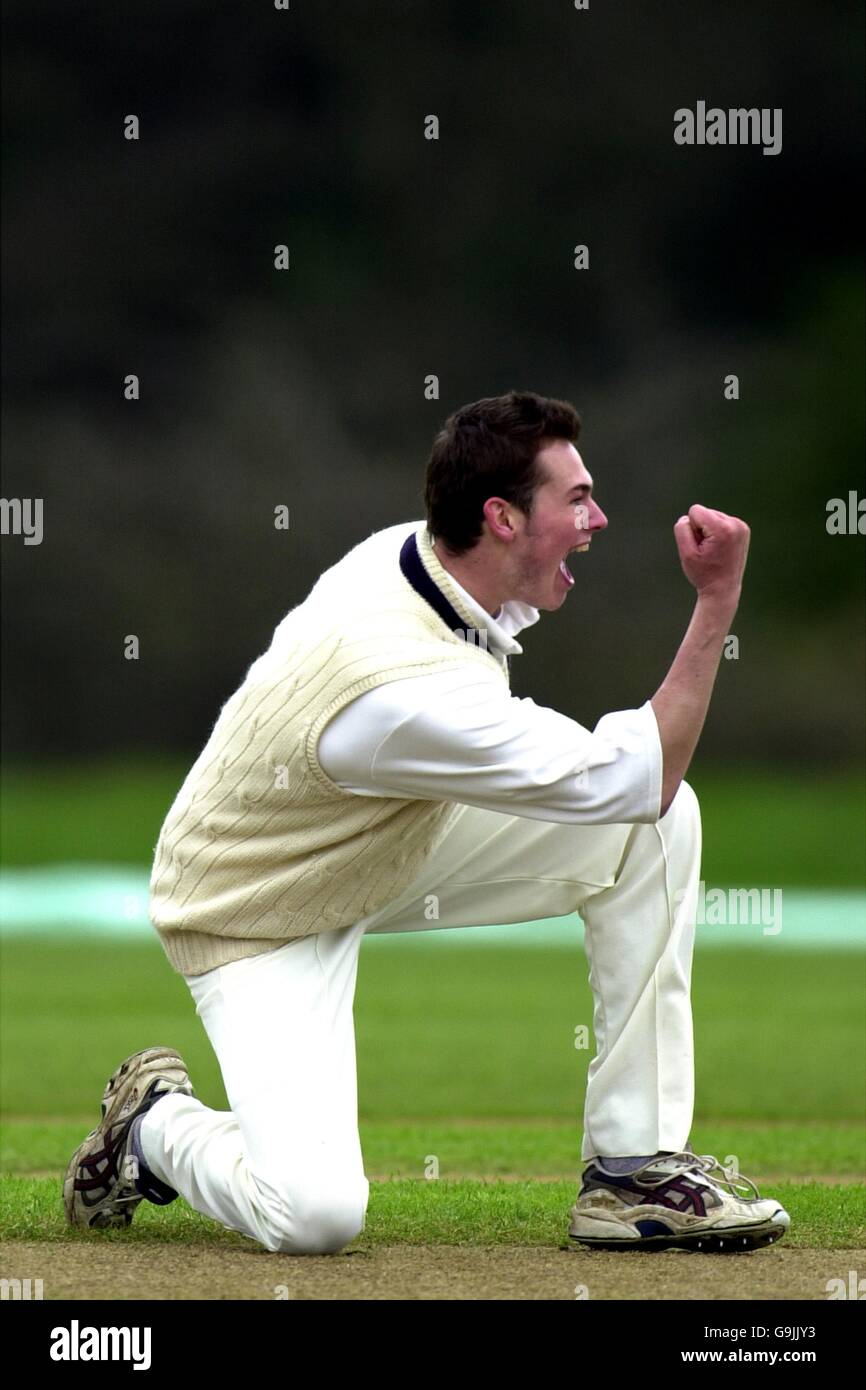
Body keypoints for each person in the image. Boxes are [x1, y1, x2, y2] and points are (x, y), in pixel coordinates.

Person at [64, 390, 790, 1255]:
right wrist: (718, 601)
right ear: (501, 518)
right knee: (315, 1218)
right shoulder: (403, 696)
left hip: (384, 835)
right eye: (577, 499)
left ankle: (633, 1170)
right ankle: (155, 1129)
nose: (598, 518)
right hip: (250, 902)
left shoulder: (419, 557)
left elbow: (645, 793)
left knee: (657, 825)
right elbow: (645, 768)